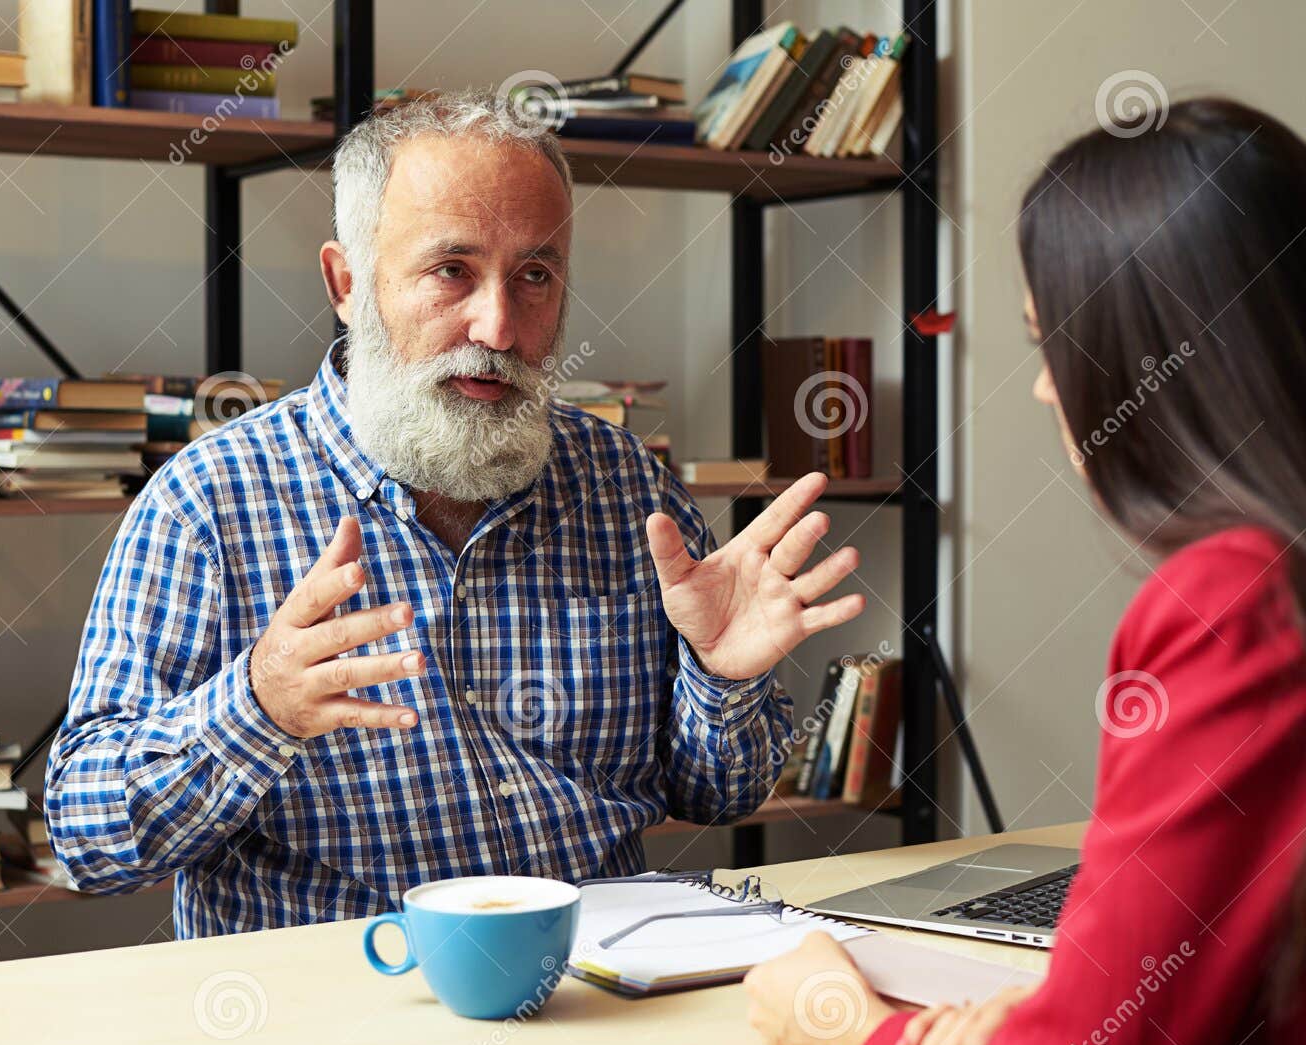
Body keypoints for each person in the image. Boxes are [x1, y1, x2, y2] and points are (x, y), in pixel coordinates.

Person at [745, 97, 1306, 1045]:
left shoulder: (1237, 602)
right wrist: (1069, 1009)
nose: (1046, 386)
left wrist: (853, 1029)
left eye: (1050, 340)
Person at [45, 92, 865, 937]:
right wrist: (259, 707)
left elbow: (720, 794)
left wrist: (721, 679)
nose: (498, 327)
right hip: (337, 1001)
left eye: (535, 276)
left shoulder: (626, 487)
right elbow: (87, 843)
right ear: (348, 283)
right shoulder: (208, 502)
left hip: (593, 980)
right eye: (451, 271)